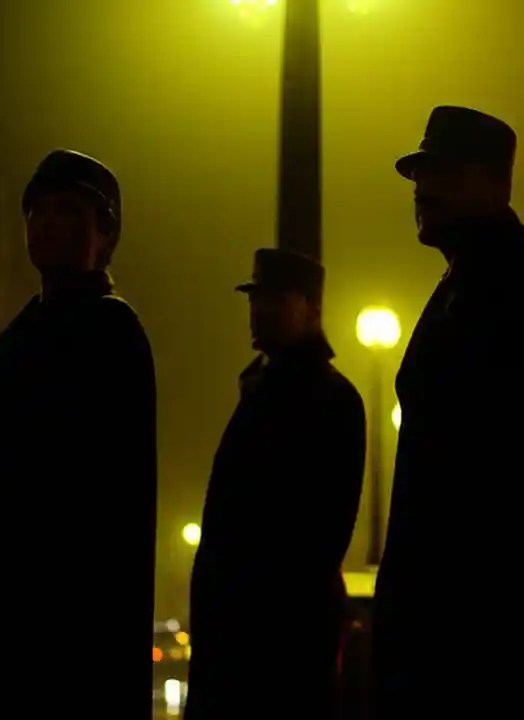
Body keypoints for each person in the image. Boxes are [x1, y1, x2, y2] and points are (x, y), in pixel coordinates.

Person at [372, 106, 524, 718]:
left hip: (484, 639)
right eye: (420, 176)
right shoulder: (486, 283)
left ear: (492, 184)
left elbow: (497, 486)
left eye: (442, 175)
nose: (421, 192)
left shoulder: (506, 292)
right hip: (480, 630)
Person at [0, 150, 157, 716]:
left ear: (105, 235)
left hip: (72, 620)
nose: (47, 224)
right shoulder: (22, 334)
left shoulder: (109, 330)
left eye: (68, 211)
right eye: (38, 211)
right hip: (14, 615)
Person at [185, 248, 366, 719]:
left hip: (270, 645)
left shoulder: (318, 398)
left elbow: (318, 538)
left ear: (311, 307)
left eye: (272, 300)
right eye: (254, 300)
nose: (257, 312)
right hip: (261, 639)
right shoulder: (286, 391)